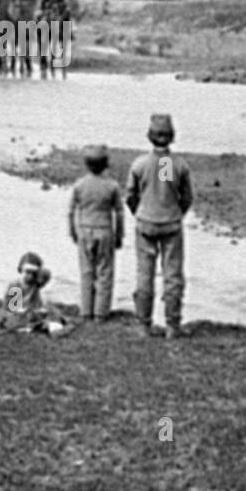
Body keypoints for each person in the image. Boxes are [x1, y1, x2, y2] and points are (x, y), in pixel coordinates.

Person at [126, 114, 194, 340]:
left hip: (146, 223)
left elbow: (130, 196)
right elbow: (185, 198)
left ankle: (143, 324)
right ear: (173, 137)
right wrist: (174, 213)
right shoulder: (177, 164)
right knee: (172, 274)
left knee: (144, 273)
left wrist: (142, 213)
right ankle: (172, 325)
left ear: (149, 136)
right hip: (171, 224)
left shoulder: (139, 164)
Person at [69, 145, 124, 321]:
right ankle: (101, 313)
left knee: (86, 272)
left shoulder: (79, 185)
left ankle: (86, 311)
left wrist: (73, 232)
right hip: (104, 229)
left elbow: (71, 211)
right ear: (106, 164)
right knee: (105, 273)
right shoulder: (112, 186)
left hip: (84, 229)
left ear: (86, 164)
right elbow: (119, 213)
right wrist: (119, 235)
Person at [1, 251, 71, 336]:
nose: (30, 276)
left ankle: (54, 327)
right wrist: (30, 312)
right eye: (27, 272)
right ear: (20, 270)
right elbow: (14, 309)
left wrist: (39, 272)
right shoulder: (15, 285)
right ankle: (49, 327)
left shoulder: (35, 284)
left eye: (33, 273)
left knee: (52, 310)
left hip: (32, 313)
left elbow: (47, 274)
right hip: (18, 315)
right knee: (20, 319)